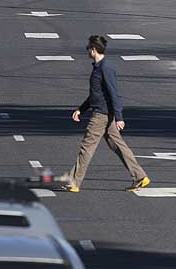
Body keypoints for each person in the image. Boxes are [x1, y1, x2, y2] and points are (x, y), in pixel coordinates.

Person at [62, 35, 150, 193]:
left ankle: (73, 182)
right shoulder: (99, 67)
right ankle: (139, 176)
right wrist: (81, 109)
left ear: (94, 50)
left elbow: (114, 93)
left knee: (86, 147)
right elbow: (96, 94)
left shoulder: (105, 68)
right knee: (118, 145)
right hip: (104, 113)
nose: (87, 51)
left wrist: (119, 117)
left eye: (88, 48)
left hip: (101, 115)